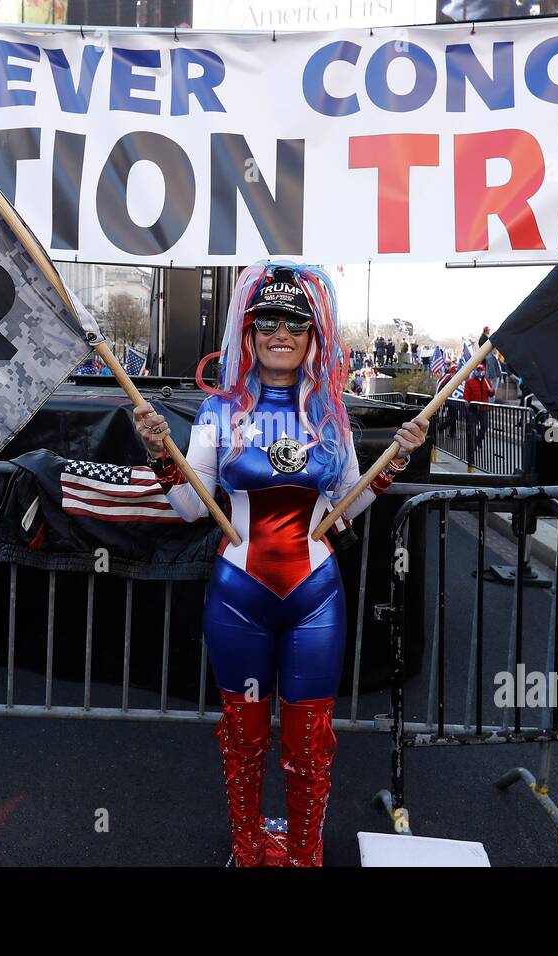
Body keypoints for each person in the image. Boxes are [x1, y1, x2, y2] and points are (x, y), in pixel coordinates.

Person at [132, 262, 429, 867]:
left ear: (314, 336)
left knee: (310, 741)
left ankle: (303, 852)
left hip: (315, 596)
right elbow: (192, 505)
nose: (280, 333)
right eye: (266, 321)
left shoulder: (330, 414)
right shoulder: (219, 413)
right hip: (239, 594)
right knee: (243, 739)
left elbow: (350, 499)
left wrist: (394, 461)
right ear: (248, 331)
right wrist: (158, 452)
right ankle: (247, 848)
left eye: (295, 323)